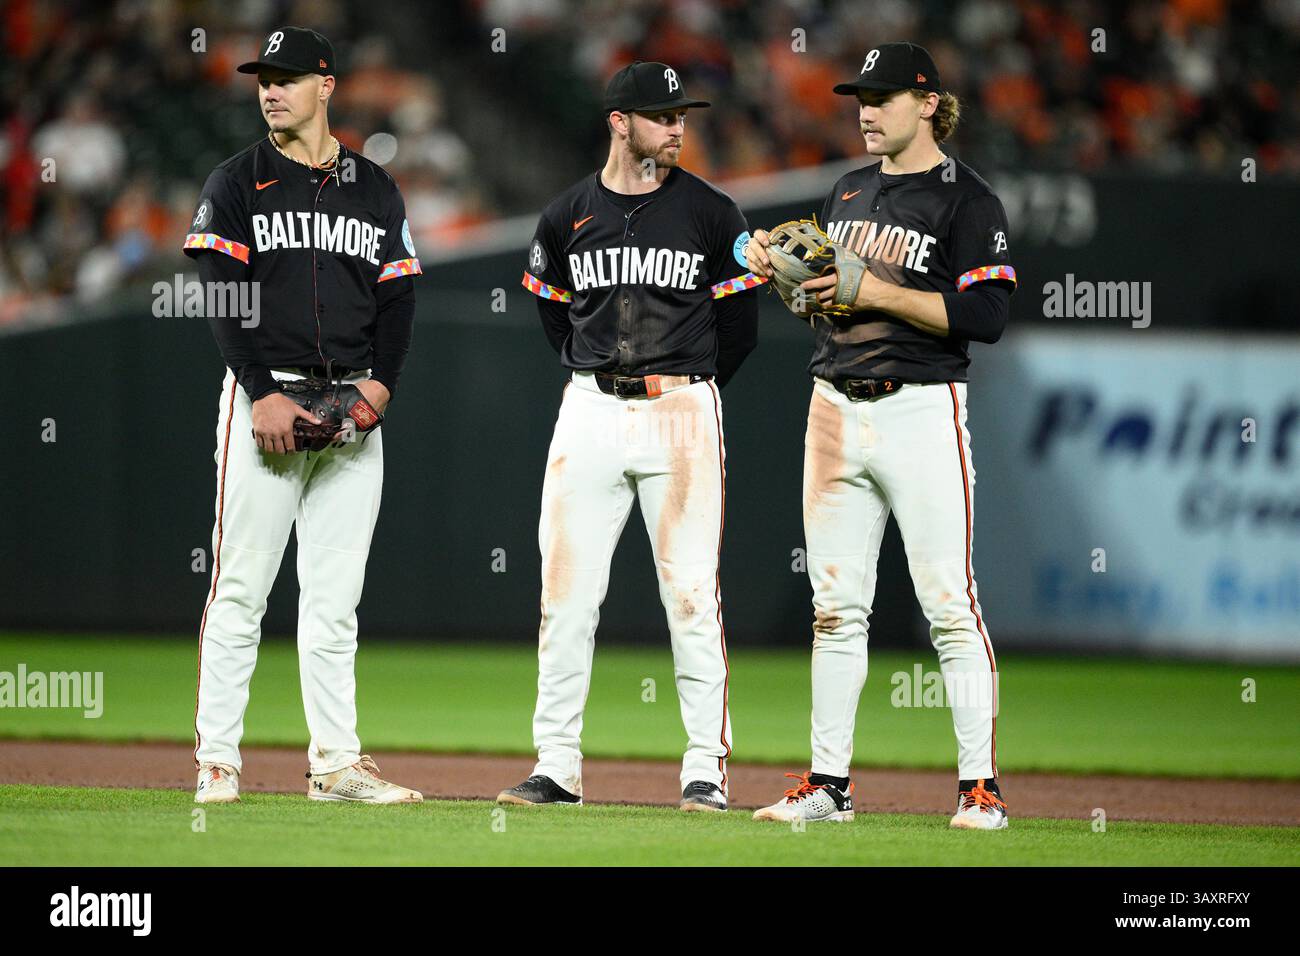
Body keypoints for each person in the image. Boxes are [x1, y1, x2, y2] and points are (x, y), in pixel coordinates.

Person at [746, 43, 1016, 829]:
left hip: (922, 409)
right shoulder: (849, 189)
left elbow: (987, 318)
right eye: (861, 96)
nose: (866, 109)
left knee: (949, 606)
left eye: (885, 96)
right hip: (832, 404)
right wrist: (797, 285)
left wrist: (877, 290)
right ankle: (828, 784)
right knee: (835, 609)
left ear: (929, 103)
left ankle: (981, 790)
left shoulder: (968, 201)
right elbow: (835, 305)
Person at [498, 61, 760, 812]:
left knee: (689, 594)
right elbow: (555, 318)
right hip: (589, 408)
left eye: (683, 115)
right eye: (662, 114)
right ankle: (556, 767)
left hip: (682, 408)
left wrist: (690, 392)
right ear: (619, 121)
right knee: (566, 595)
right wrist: (601, 381)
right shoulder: (566, 214)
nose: (678, 126)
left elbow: (738, 331)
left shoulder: (714, 213)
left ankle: (705, 768)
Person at [185, 27, 422, 804]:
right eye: (263, 77)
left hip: (354, 406)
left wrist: (382, 386)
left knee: (333, 602)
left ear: (327, 84)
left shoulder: (375, 187)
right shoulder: (236, 181)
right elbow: (224, 296)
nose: (270, 89)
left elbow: (398, 294)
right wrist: (260, 391)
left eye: (287, 76)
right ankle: (218, 761)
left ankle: (336, 765)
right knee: (241, 589)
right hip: (269, 399)